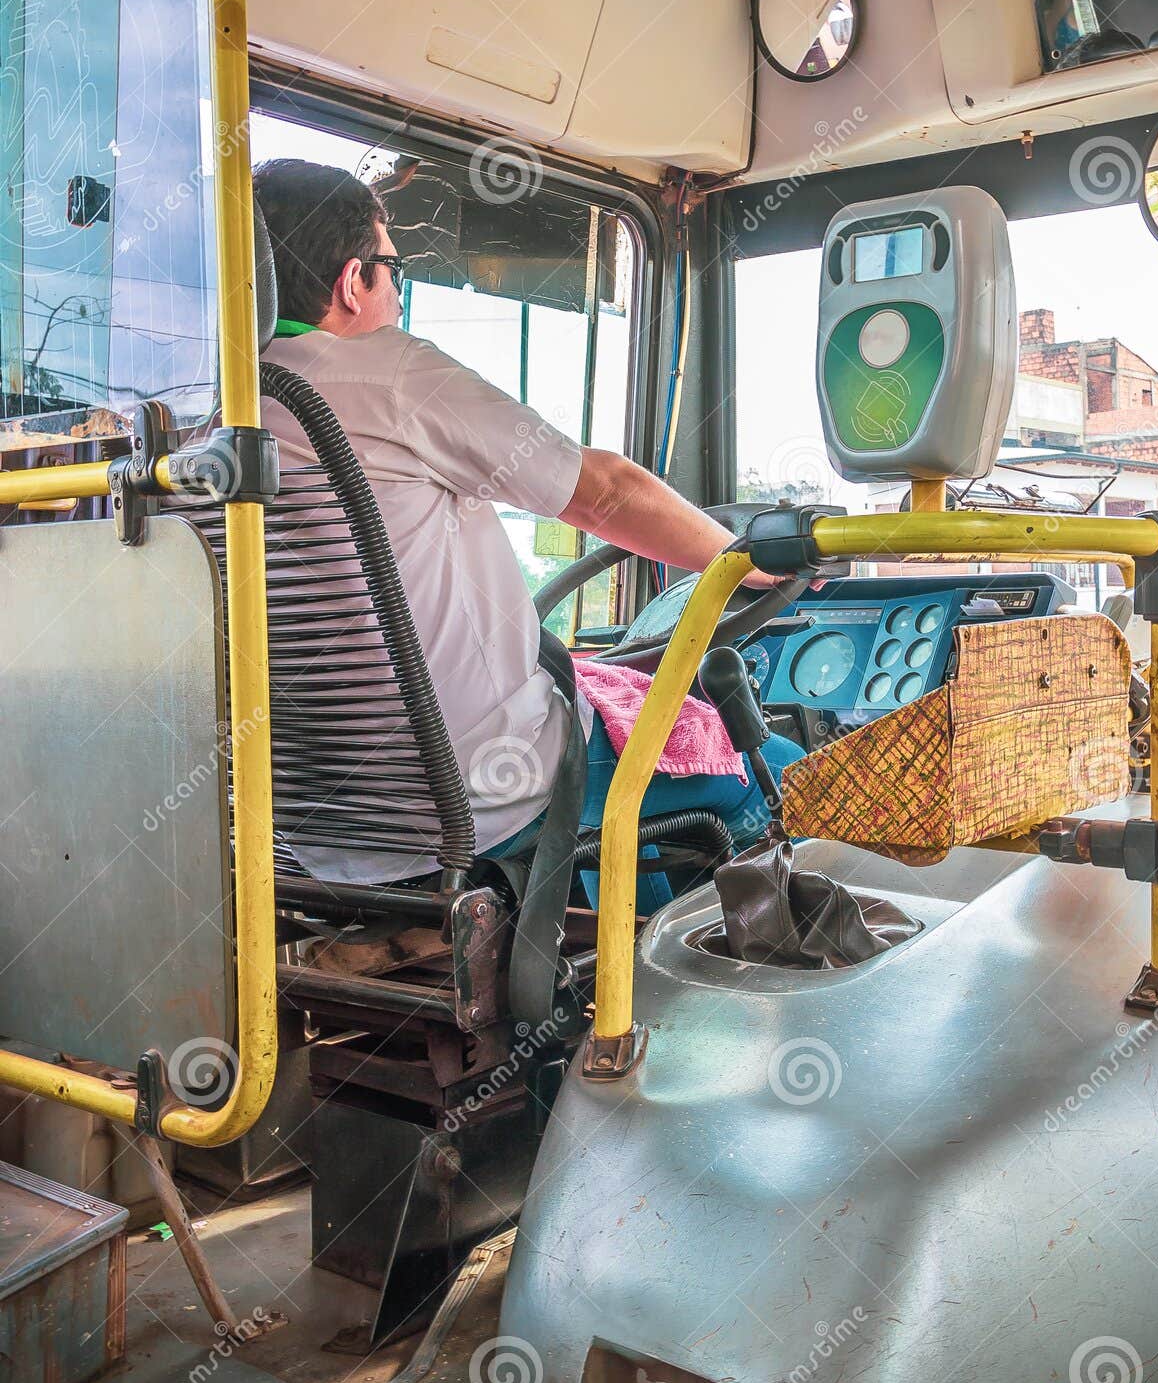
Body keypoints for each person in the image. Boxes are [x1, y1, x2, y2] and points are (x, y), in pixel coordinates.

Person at [250, 158, 803, 888]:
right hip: (483, 796)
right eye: (394, 267)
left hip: (312, 829)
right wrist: (746, 561)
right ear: (353, 281)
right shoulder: (388, 373)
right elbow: (602, 493)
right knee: (780, 774)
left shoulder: (208, 414)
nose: (398, 291)